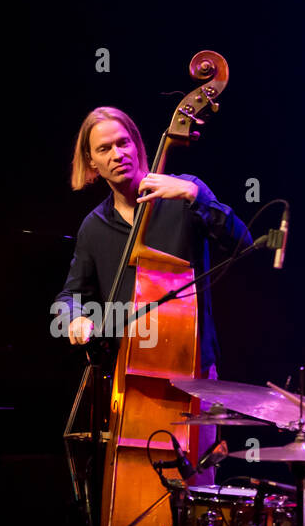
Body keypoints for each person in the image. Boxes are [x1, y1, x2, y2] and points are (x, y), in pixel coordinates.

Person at [54, 105, 251, 375]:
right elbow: (70, 295)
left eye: (123, 143)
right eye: (104, 149)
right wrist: (74, 317)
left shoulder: (185, 194)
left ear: (137, 145)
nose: (117, 154)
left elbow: (244, 244)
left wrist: (196, 197)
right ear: (91, 162)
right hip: (126, 372)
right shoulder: (94, 226)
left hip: (193, 369)